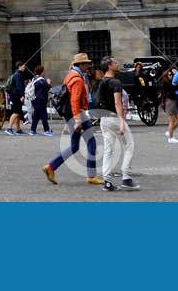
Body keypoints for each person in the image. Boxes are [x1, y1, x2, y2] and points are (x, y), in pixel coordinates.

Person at [41, 53, 100, 186]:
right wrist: (78, 119)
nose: (88, 66)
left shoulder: (70, 75)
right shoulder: (78, 79)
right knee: (91, 142)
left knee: (74, 146)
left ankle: (51, 166)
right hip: (78, 114)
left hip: (71, 115)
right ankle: (91, 175)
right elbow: (74, 100)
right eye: (86, 63)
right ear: (80, 65)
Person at [95, 57, 139, 192]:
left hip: (104, 118)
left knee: (108, 150)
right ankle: (126, 177)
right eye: (115, 63)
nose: (118, 64)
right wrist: (121, 121)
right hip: (114, 118)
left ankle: (107, 181)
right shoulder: (115, 82)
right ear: (109, 66)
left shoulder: (101, 82)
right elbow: (118, 103)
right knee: (129, 145)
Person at [3, 61, 30, 135]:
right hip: (16, 95)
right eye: (24, 66)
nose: (24, 68)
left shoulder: (16, 73)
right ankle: (9, 128)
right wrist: (22, 95)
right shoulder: (18, 75)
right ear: (19, 67)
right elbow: (19, 86)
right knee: (16, 112)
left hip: (14, 95)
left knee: (18, 112)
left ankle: (18, 129)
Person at [25, 64, 52, 136]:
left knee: (36, 115)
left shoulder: (34, 79)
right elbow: (47, 87)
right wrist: (49, 82)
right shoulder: (41, 80)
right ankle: (46, 130)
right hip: (41, 100)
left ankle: (32, 130)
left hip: (34, 99)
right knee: (44, 115)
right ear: (41, 72)